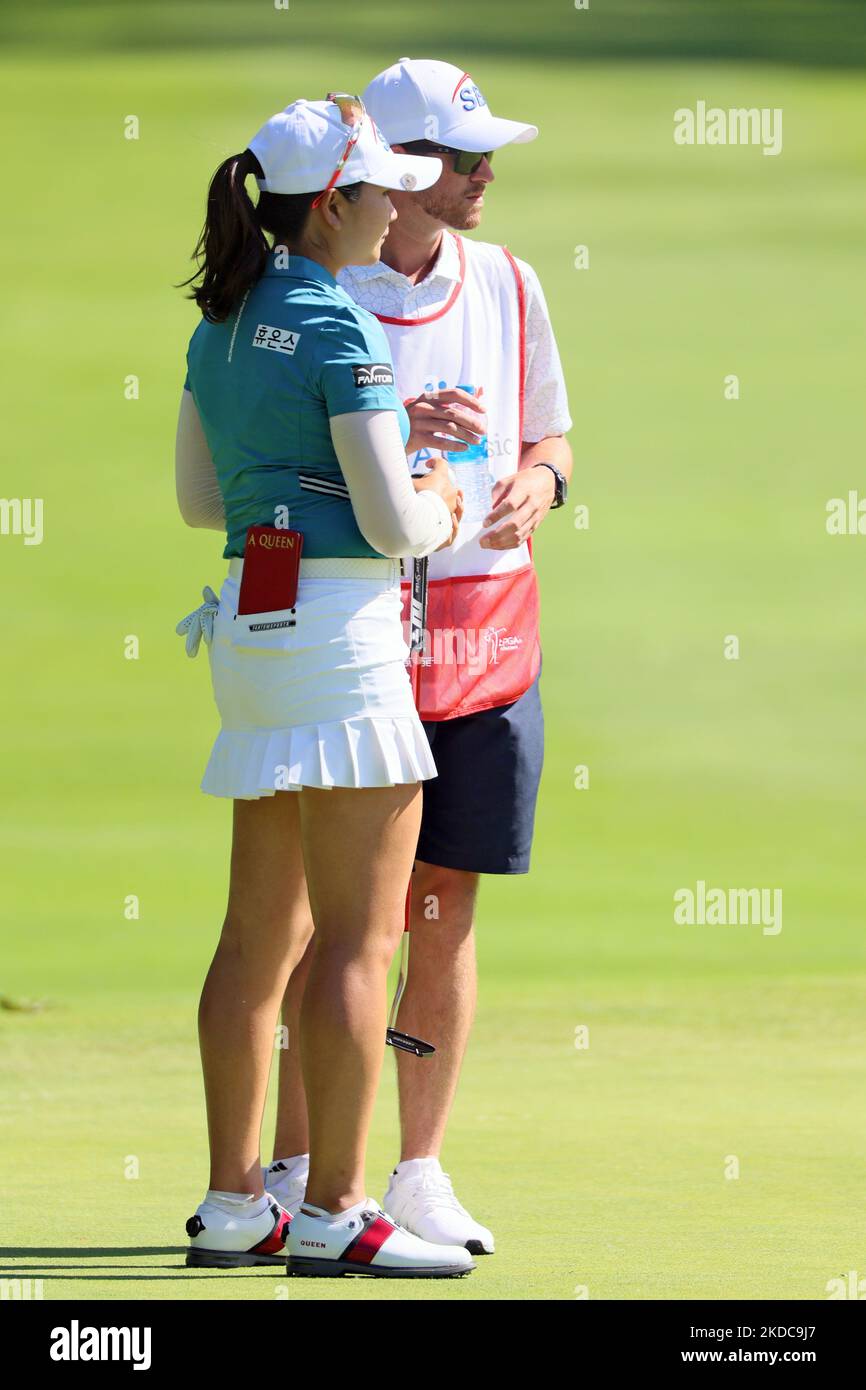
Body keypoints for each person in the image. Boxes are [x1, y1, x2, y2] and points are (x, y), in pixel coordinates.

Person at [265, 60, 573, 1255]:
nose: (487, 172)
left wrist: (537, 484)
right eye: (462, 156)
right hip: (352, 638)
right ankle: (294, 1167)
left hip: (487, 639)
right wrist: (404, 436)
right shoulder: (312, 295)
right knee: (329, 921)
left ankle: (419, 1169)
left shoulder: (506, 279)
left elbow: (546, 426)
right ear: (394, 171)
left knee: (438, 914)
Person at [175, 94, 474, 1277]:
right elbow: (398, 525)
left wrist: (360, 471)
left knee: (257, 936)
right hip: (342, 639)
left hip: (251, 629)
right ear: (335, 204)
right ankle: (341, 1210)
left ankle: (232, 1200)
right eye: (382, 187)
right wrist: (442, 488)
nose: (400, 202)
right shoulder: (341, 327)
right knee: (358, 938)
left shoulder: (223, 320)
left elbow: (207, 503)